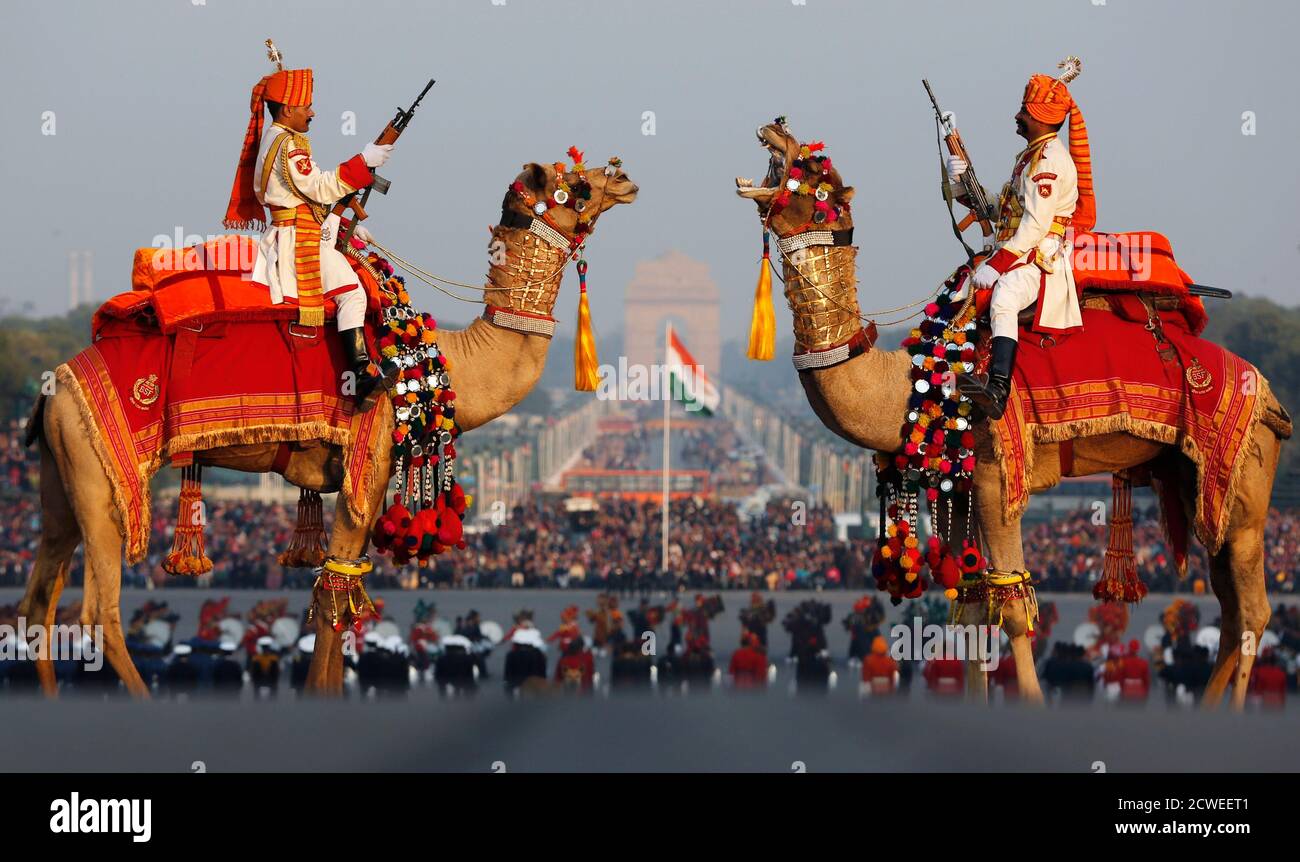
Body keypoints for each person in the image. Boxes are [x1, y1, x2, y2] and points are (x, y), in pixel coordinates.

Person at [224, 40, 397, 409]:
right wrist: (364, 161)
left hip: (300, 229)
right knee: (353, 292)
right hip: (296, 241)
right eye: (306, 106)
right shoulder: (290, 145)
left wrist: (336, 221)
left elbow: (307, 199)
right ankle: (362, 373)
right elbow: (320, 186)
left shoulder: (279, 138)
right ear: (287, 108)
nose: (312, 112)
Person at [947, 58, 1096, 419]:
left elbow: (1033, 225)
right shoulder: (1029, 156)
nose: (1017, 116)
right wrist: (961, 180)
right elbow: (1001, 210)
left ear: (1043, 117)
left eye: (1024, 111)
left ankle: (998, 387)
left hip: (1037, 259)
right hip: (1017, 251)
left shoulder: (1048, 161)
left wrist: (998, 266)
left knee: (1005, 297)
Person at [503, 628, 548, 694]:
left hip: (517, 685)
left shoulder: (511, 654)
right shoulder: (538, 654)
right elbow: (542, 671)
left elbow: (508, 673)